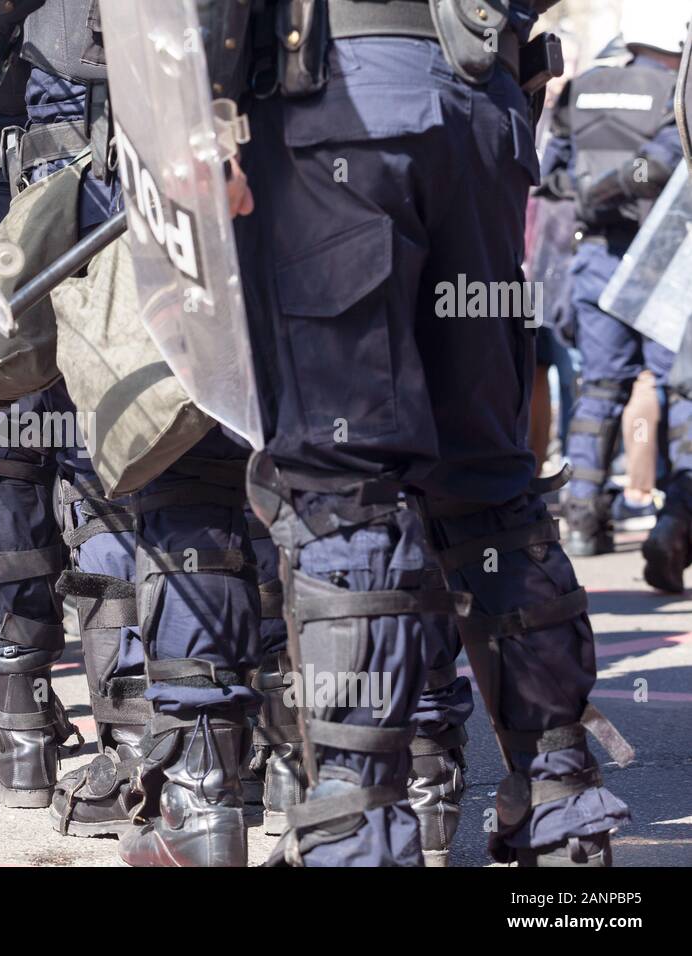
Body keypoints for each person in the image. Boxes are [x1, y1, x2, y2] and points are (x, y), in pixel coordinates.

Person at [239, 0, 631, 867]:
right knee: (490, 476)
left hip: (332, 108)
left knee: (345, 482)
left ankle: (359, 826)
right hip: (479, 106)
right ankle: (561, 796)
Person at [540, 14, 688, 557]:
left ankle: (582, 521)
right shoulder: (675, 91)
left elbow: (548, 175)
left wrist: (589, 194)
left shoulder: (581, 90)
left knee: (599, 390)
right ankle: (676, 524)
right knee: (680, 392)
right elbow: (667, 167)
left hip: (597, 257)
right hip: (664, 262)